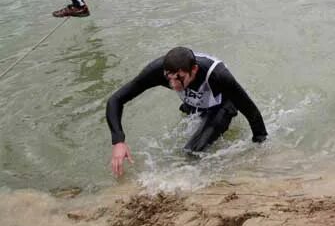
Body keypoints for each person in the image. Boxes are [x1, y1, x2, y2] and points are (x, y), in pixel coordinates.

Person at [105, 47, 268, 177]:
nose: (174, 84)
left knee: (191, 152)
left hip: (222, 105)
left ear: (194, 69)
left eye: (179, 78)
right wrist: (118, 141)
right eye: (169, 78)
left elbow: (250, 110)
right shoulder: (159, 71)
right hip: (195, 103)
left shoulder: (218, 75)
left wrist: (260, 148)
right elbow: (115, 100)